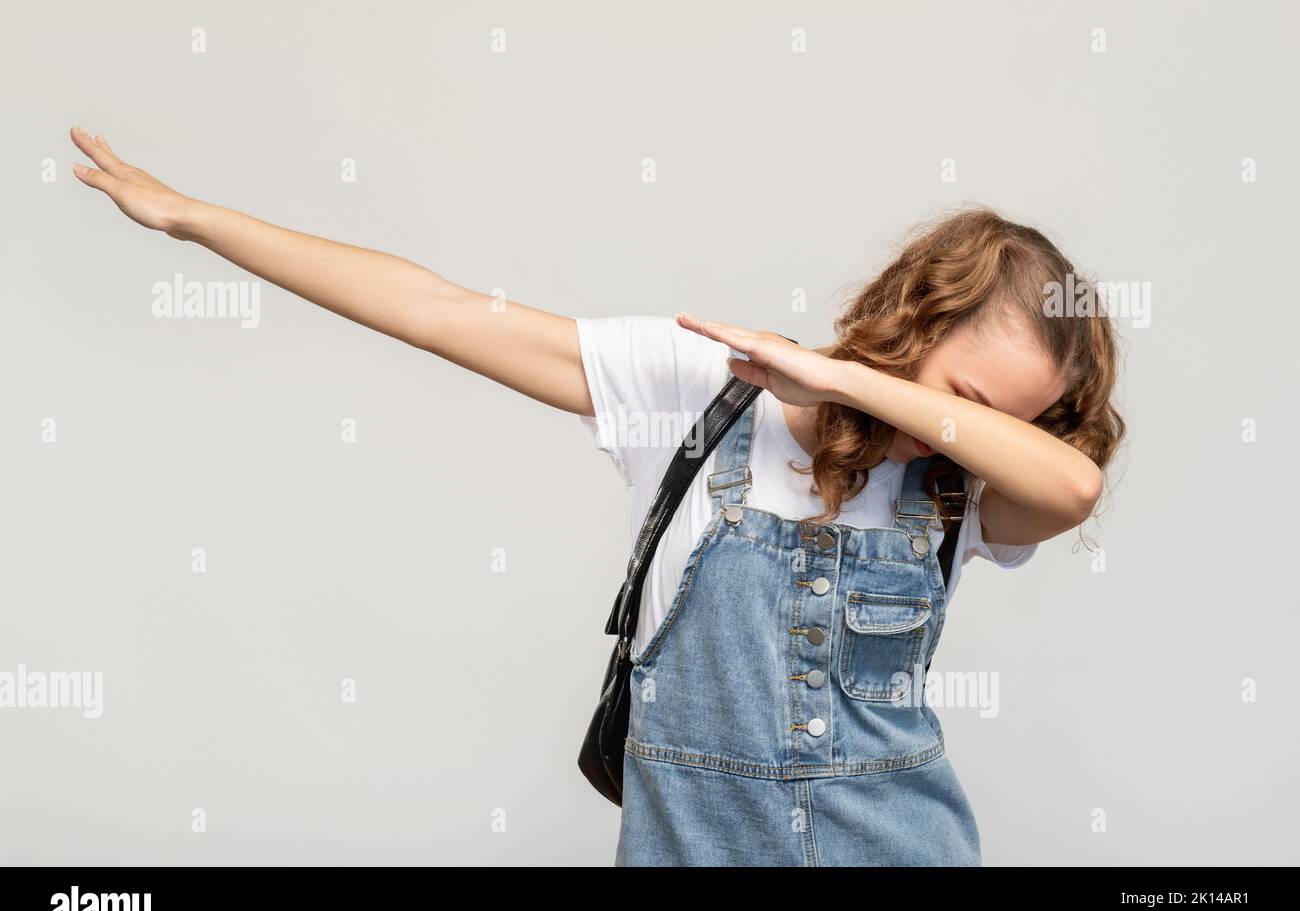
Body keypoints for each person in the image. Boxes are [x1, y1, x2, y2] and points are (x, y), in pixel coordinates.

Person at [70, 126, 1124, 865]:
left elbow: (1073, 485)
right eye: (964, 401)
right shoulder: (700, 385)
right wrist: (195, 219)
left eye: (1001, 425)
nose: (963, 438)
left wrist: (846, 377)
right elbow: (439, 312)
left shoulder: (958, 495)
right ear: (917, 316)